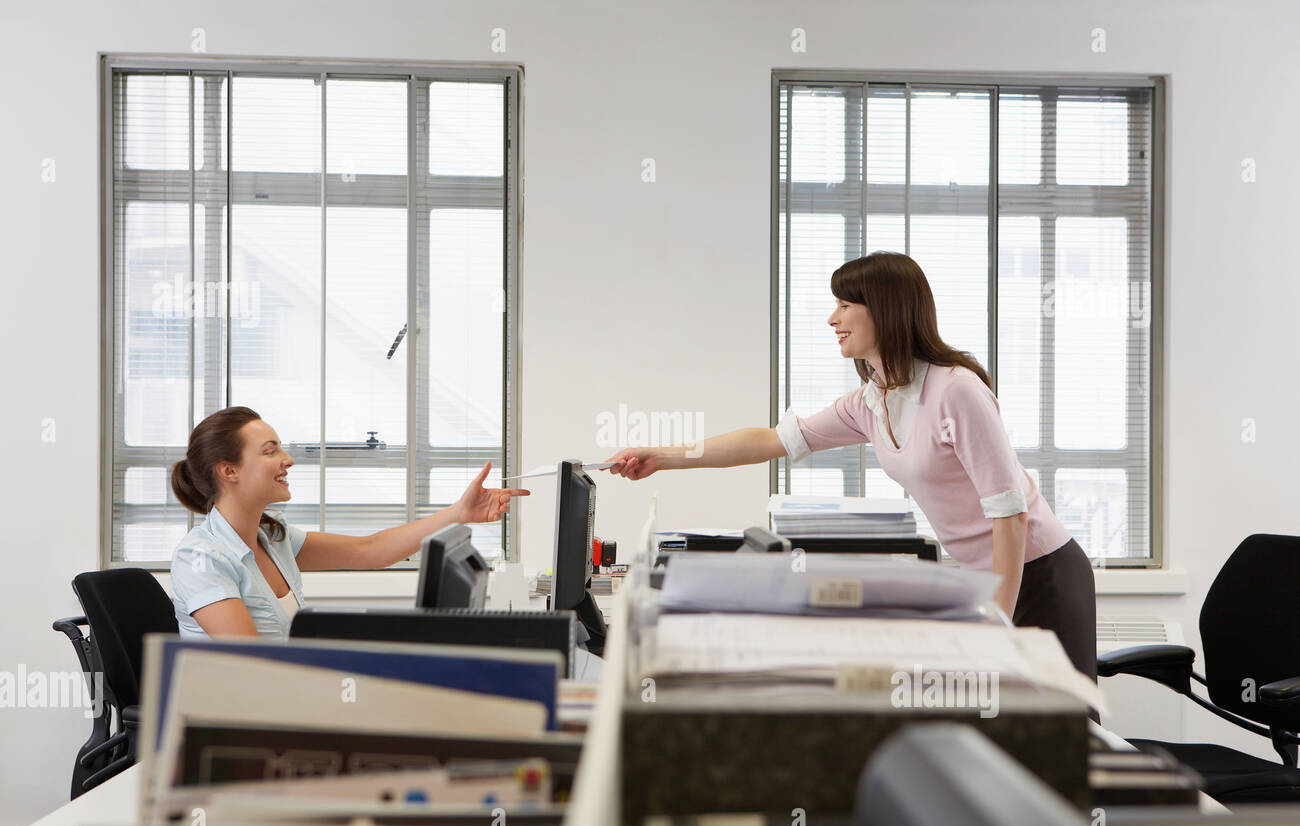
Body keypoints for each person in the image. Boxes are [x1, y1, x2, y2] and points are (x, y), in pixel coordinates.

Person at [609, 252, 1097, 681]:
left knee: (1065, 736)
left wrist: (996, 626)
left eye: (845, 305)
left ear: (885, 310)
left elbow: (1009, 514)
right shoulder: (871, 402)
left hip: (1040, 571)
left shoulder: (957, 391)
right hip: (988, 572)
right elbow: (767, 441)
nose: (831, 318)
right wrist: (663, 457)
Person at [168, 406, 527, 640]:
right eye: (270, 450)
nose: (288, 459)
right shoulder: (200, 557)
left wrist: (459, 513)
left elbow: (369, 551)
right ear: (228, 471)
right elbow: (252, 664)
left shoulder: (272, 538)